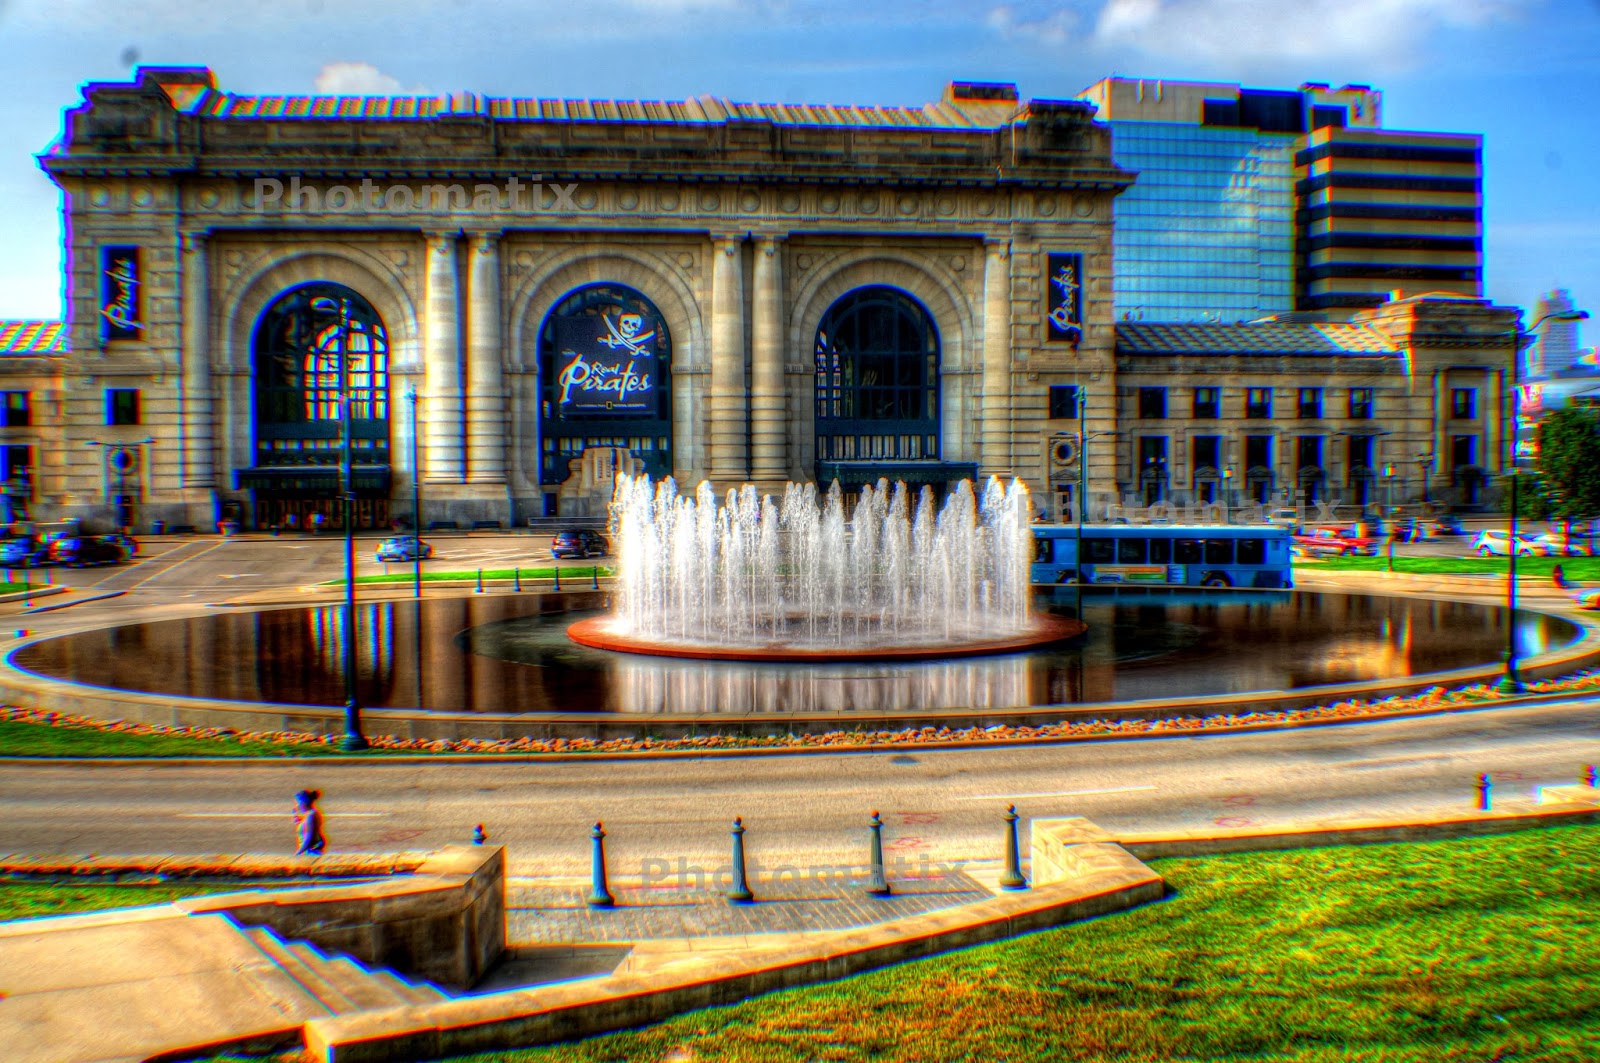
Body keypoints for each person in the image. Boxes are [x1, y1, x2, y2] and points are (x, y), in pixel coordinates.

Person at [293, 789, 327, 856]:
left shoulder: (311, 816)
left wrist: (298, 853)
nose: (297, 806)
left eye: (298, 803)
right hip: (311, 852)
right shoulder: (311, 815)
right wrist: (300, 822)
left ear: (304, 802)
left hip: (311, 853)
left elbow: (309, 838)